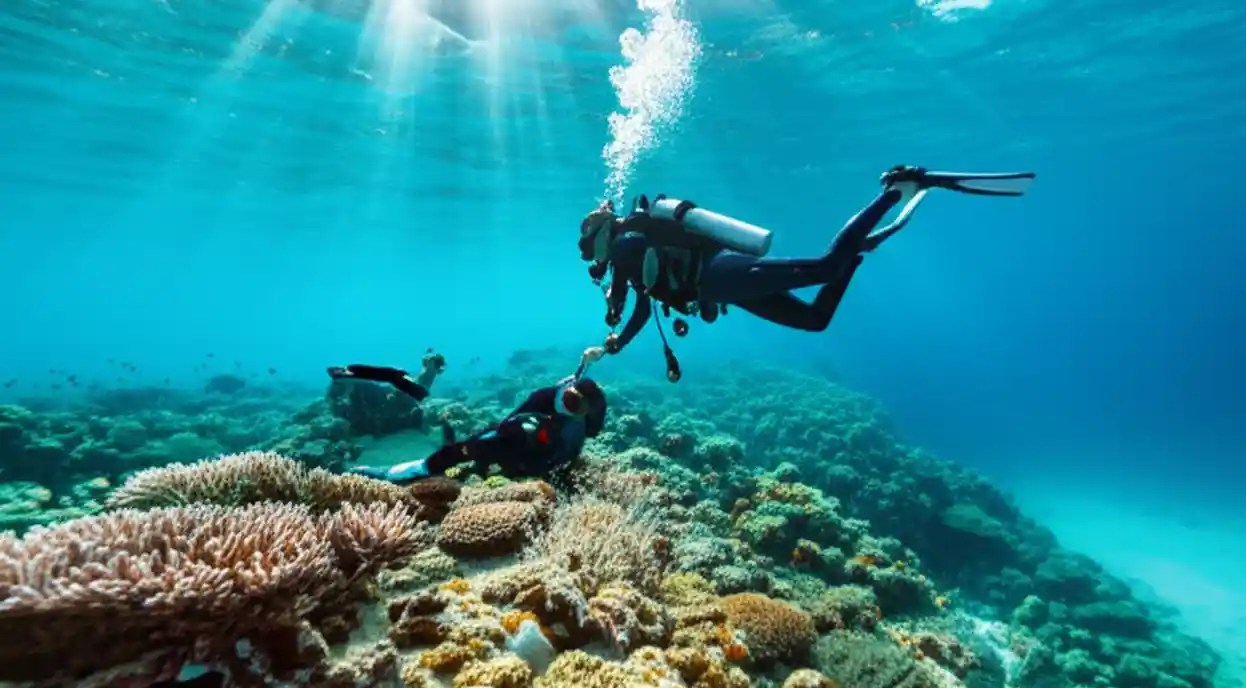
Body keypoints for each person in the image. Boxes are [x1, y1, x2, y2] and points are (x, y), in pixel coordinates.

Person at [577, 165, 1034, 378]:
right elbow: (639, 304)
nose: (590, 255)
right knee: (815, 319)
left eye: (588, 244)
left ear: (601, 232)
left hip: (720, 274)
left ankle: (895, 191)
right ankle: (853, 253)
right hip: (721, 285)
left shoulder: (626, 245)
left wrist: (617, 324)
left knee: (824, 268)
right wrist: (617, 341)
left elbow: (633, 298)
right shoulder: (627, 253)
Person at [349, 347, 609, 483]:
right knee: (468, 448)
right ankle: (396, 473)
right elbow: (507, 425)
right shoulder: (544, 397)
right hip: (518, 448)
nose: (572, 409)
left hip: (550, 461)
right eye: (571, 400)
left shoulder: (586, 417)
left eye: (581, 409)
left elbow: (590, 425)